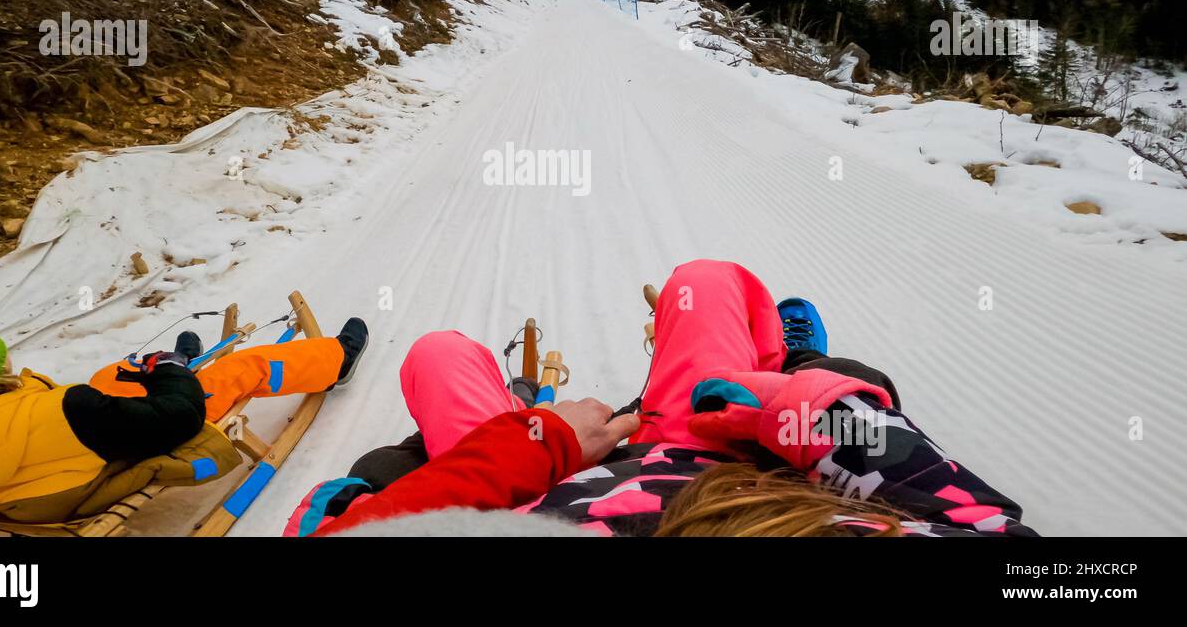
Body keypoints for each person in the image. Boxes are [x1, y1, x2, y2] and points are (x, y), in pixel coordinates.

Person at [288, 259, 1036, 537]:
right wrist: (800, 412)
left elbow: (335, 523)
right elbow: (985, 520)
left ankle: (787, 363)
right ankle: (786, 355)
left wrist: (535, 441)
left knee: (436, 354)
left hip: (503, 500)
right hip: (721, 459)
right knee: (701, 282)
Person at [0, 311, 366, 523]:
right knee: (241, 369)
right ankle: (334, 361)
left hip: (25, 483)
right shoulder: (68, 409)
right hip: (96, 470)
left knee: (107, 374)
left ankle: (163, 366)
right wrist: (176, 379)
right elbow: (177, 419)